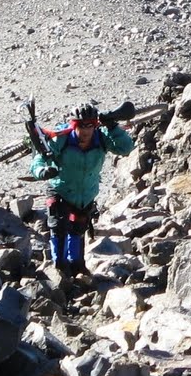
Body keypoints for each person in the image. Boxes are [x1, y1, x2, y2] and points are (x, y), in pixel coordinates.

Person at [26, 101, 135, 279]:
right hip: (60, 190)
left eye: (90, 126)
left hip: (85, 196)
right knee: (58, 229)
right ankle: (59, 270)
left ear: (95, 125)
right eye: (81, 126)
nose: (85, 130)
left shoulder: (102, 137)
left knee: (77, 230)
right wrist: (42, 171)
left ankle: (77, 268)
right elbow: (39, 159)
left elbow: (126, 148)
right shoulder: (61, 137)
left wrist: (112, 126)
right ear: (73, 125)